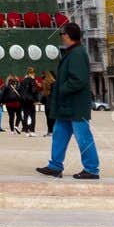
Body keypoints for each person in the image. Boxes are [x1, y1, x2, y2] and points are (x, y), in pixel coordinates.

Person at [37, 22, 98, 179]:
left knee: (83, 137)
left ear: (68, 36)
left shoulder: (77, 54)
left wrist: (60, 88)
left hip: (75, 105)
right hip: (67, 105)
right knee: (59, 134)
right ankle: (55, 166)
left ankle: (92, 169)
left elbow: (78, 80)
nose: (61, 38)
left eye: (62, 35)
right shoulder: (74, 52)